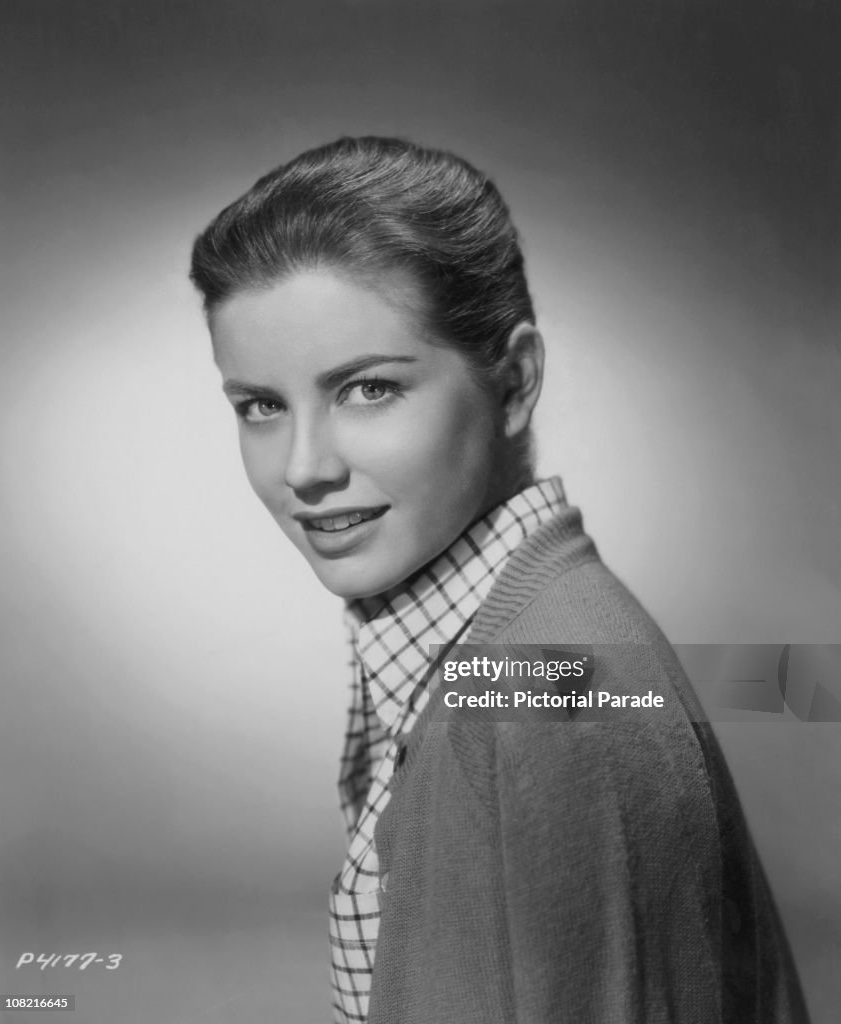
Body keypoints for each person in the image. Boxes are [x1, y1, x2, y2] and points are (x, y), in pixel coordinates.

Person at [189, 136, 810, 1024]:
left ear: (513, 381)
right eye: (260, 406)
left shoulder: (534, 693)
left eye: (367, 389)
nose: (304, 467)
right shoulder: (517, 658)